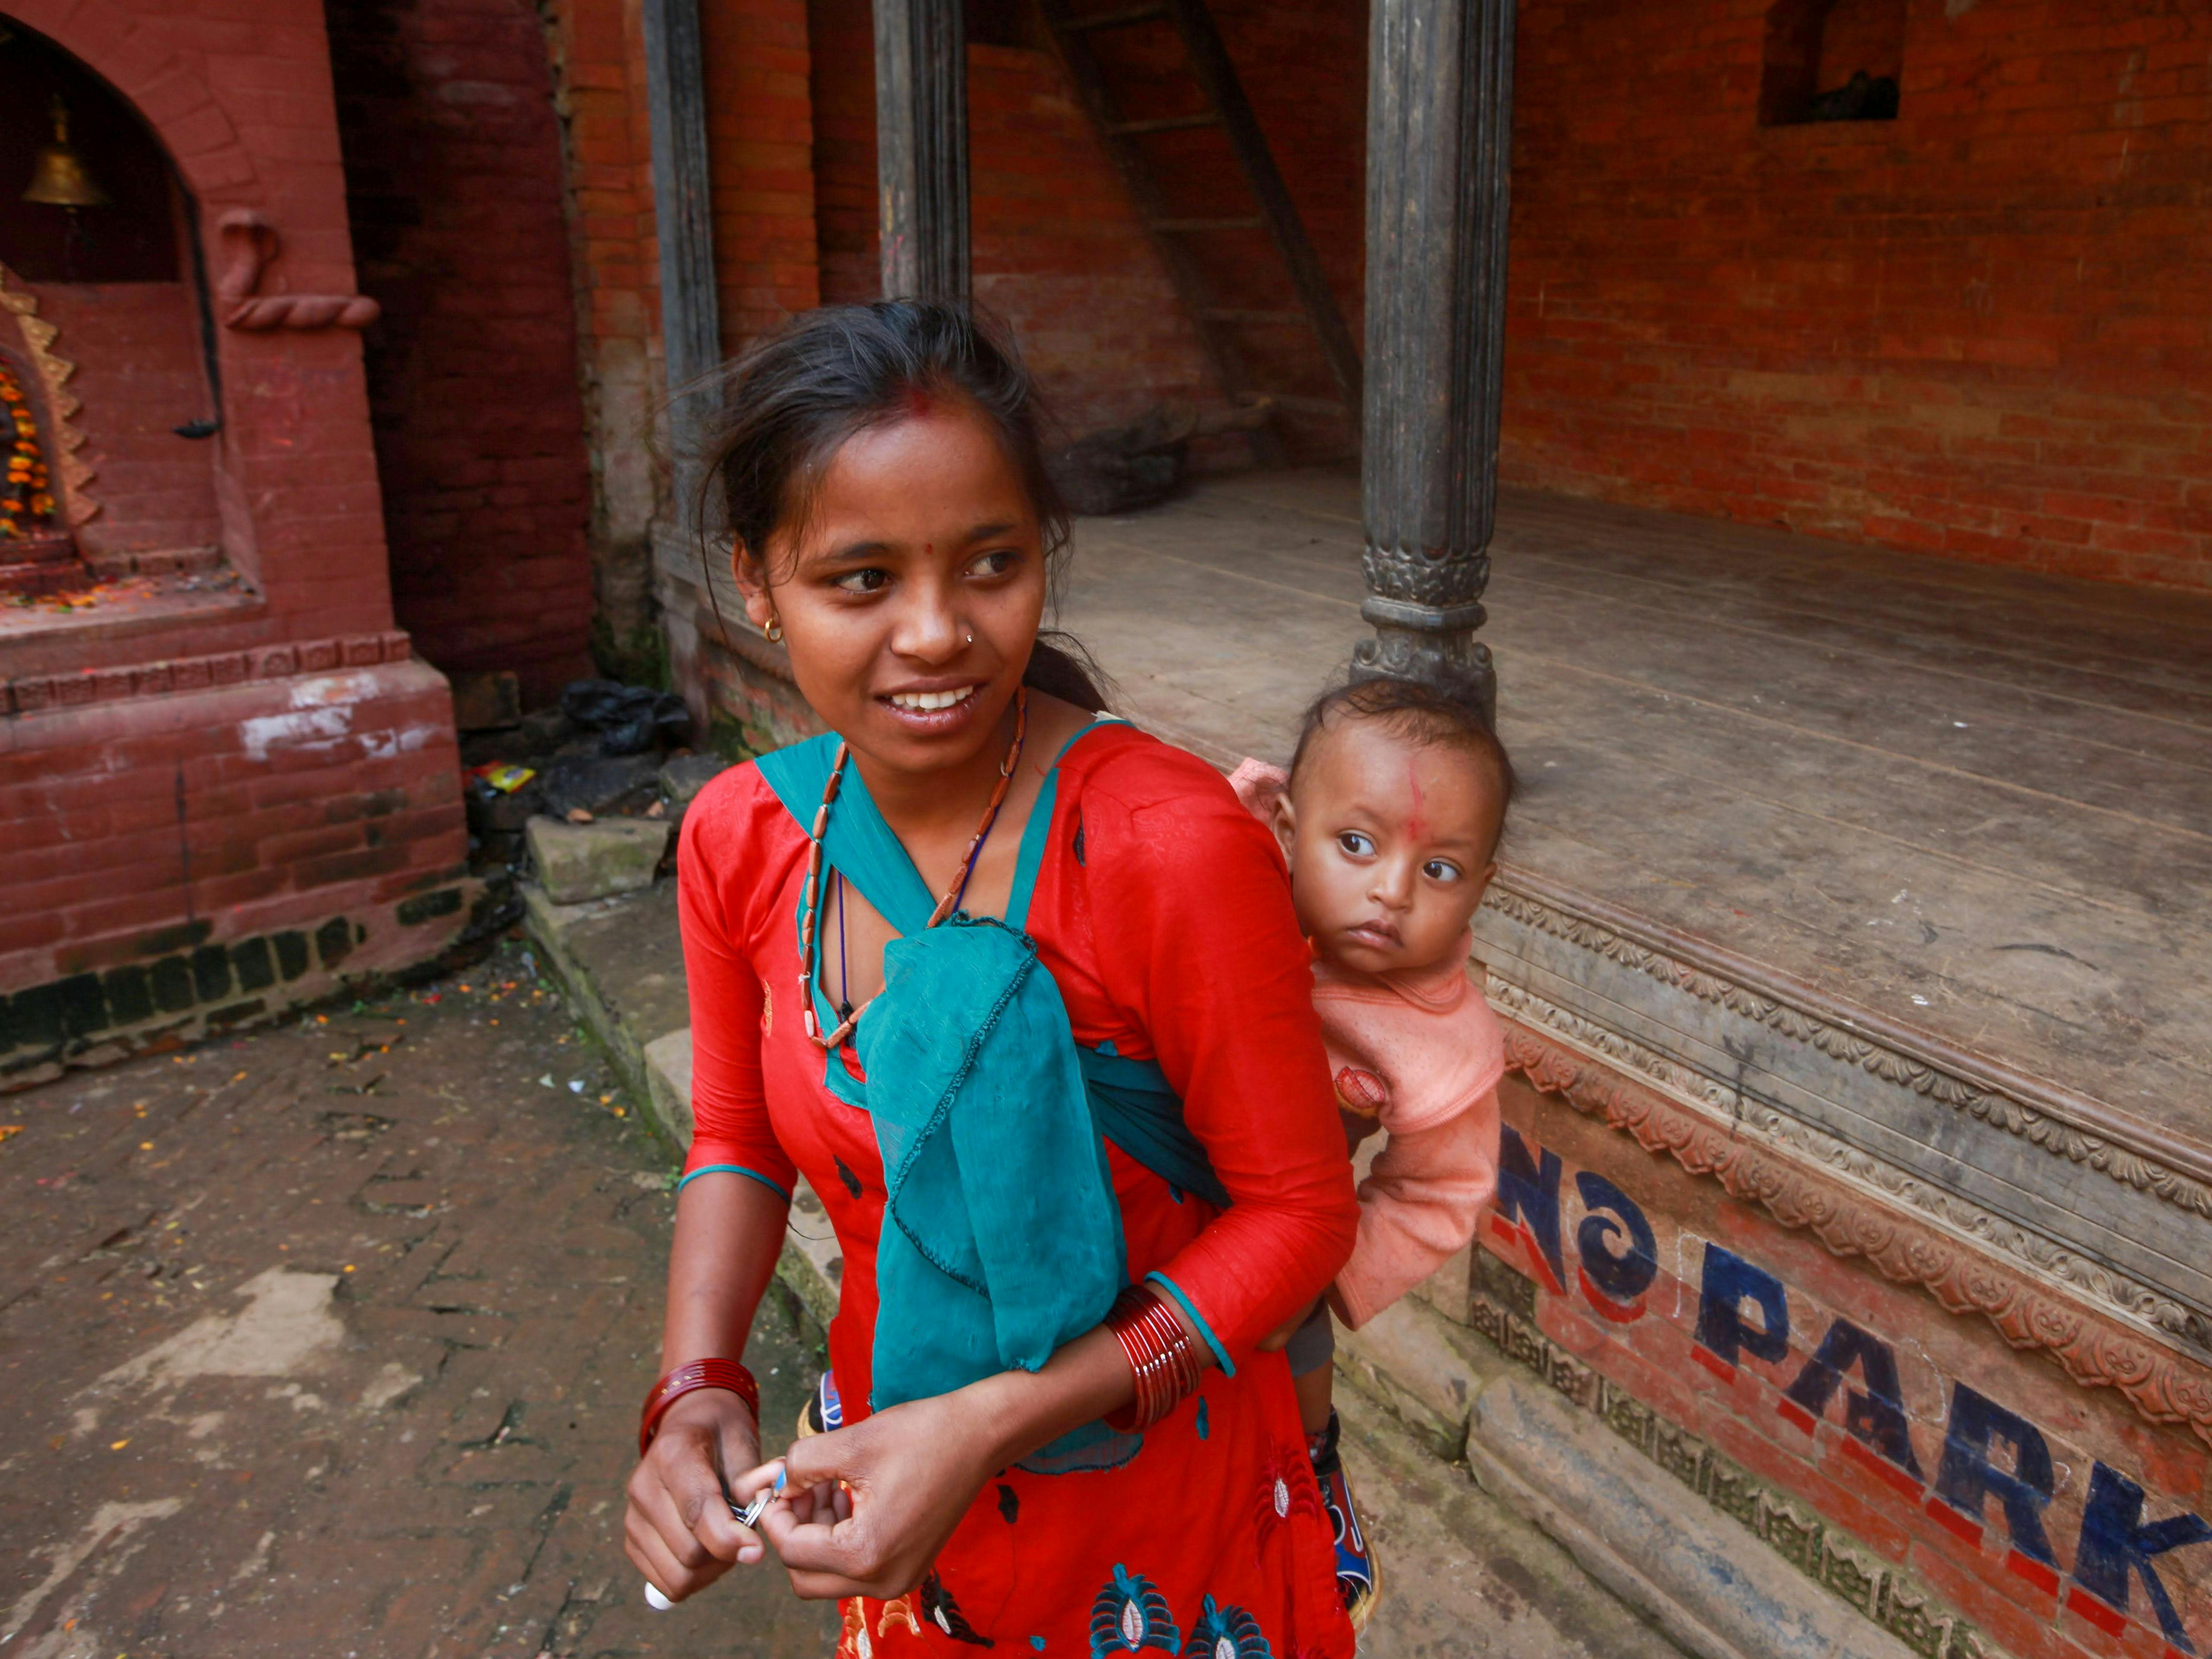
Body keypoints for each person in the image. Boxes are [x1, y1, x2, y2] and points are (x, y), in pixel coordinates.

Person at [622, 300, 1362, 1659]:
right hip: (889, 1479)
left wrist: (989, 1425)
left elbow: (1300, 1218)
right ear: (752, 579)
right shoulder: (743, 839)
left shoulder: (1164, 848)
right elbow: (735, 1140)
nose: (937, 634)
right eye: (859, 581)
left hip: (1158, 1513)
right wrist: (697, 1385)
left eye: (990, 565)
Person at [1229, 677, 1516, 1629]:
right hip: (1142, 1164)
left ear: (1483, 884)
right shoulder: (1227, 891)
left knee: (1293, 1334)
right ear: (1284, 825)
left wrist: (1328, 1272)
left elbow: (1441, 1190)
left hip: (1280, 1230)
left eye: (1439, 870)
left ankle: (1314, 1465)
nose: (1390, 892)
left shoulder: (1443, 1040)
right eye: (1355, 845)